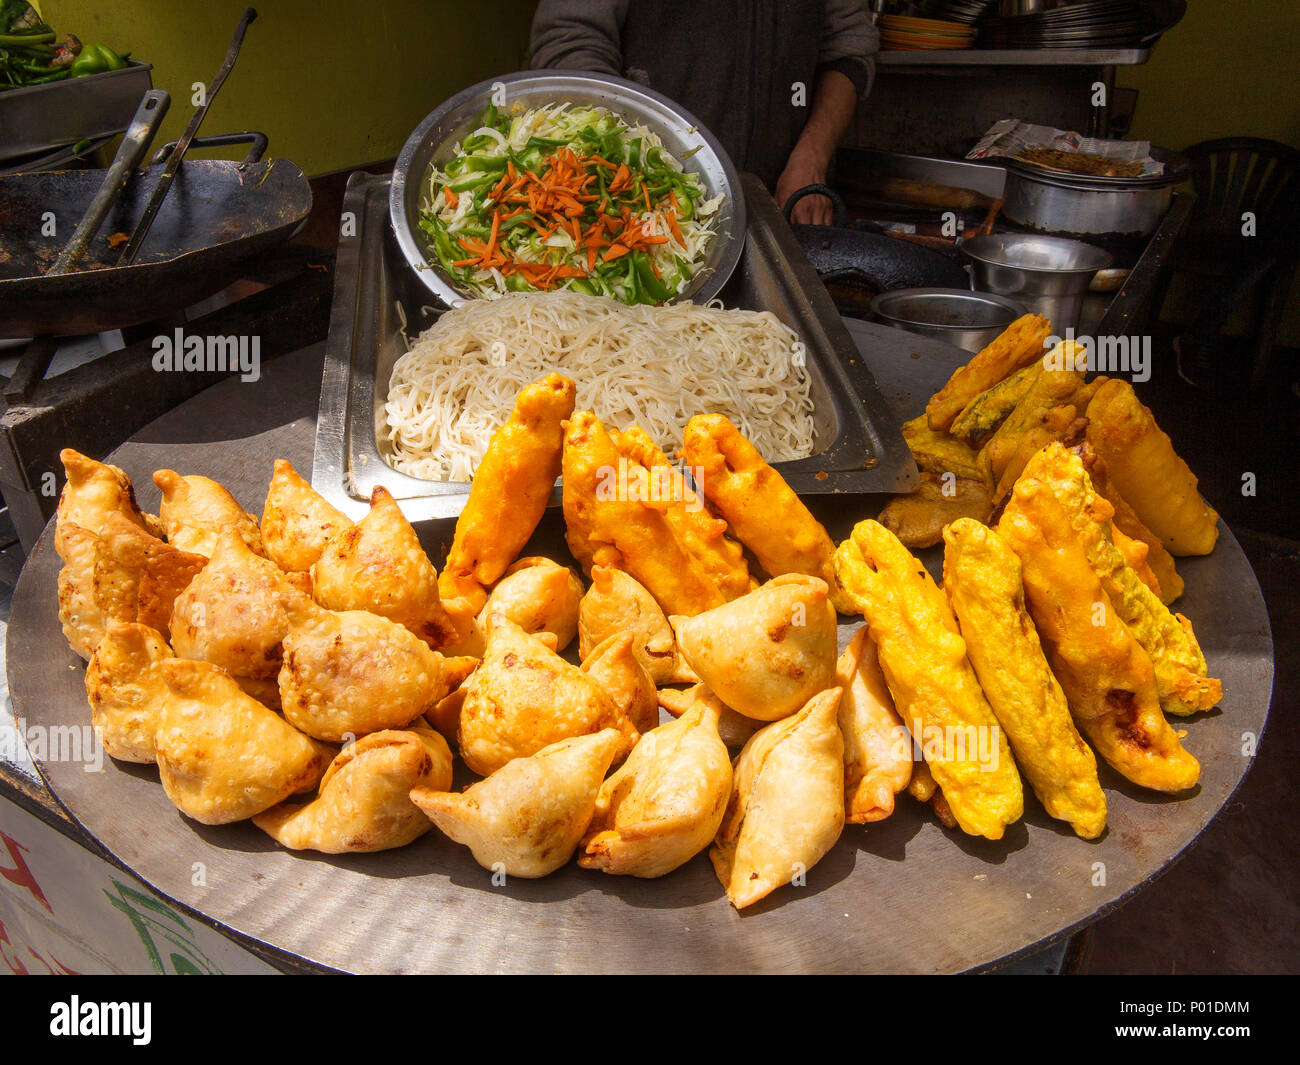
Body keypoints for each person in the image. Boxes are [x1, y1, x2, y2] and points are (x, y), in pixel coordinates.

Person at [530, 0, 878, 225]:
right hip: (639, 213)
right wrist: (631, 167)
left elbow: (848, 46)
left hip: (780, 209)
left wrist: (812, 158)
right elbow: (571, 39)